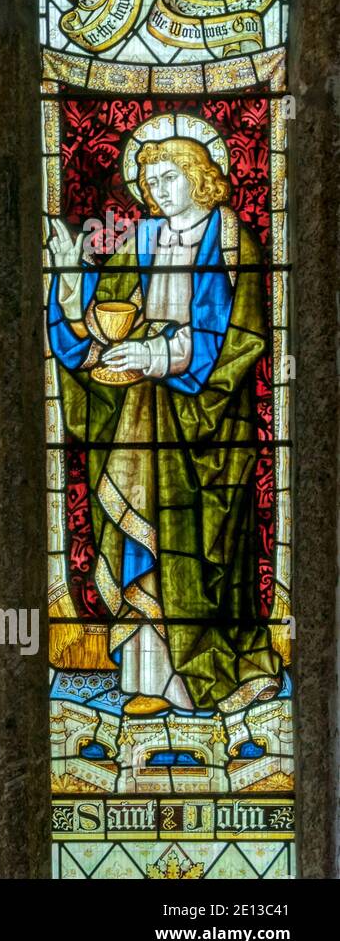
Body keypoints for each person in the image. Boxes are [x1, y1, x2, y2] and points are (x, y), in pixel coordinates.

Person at [47, 133, 281, 716]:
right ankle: (152, 677)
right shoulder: (142, 238)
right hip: (143, 421)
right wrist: (73, 275)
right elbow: (107, 320)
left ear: (200, 175)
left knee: (210, 551)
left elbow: (244, 336)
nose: (157, 190)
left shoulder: (231, 240)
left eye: (169, 177)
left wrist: (159, 358)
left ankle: (222, 672)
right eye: (150, 183)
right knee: (139, 540)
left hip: (210, 425)